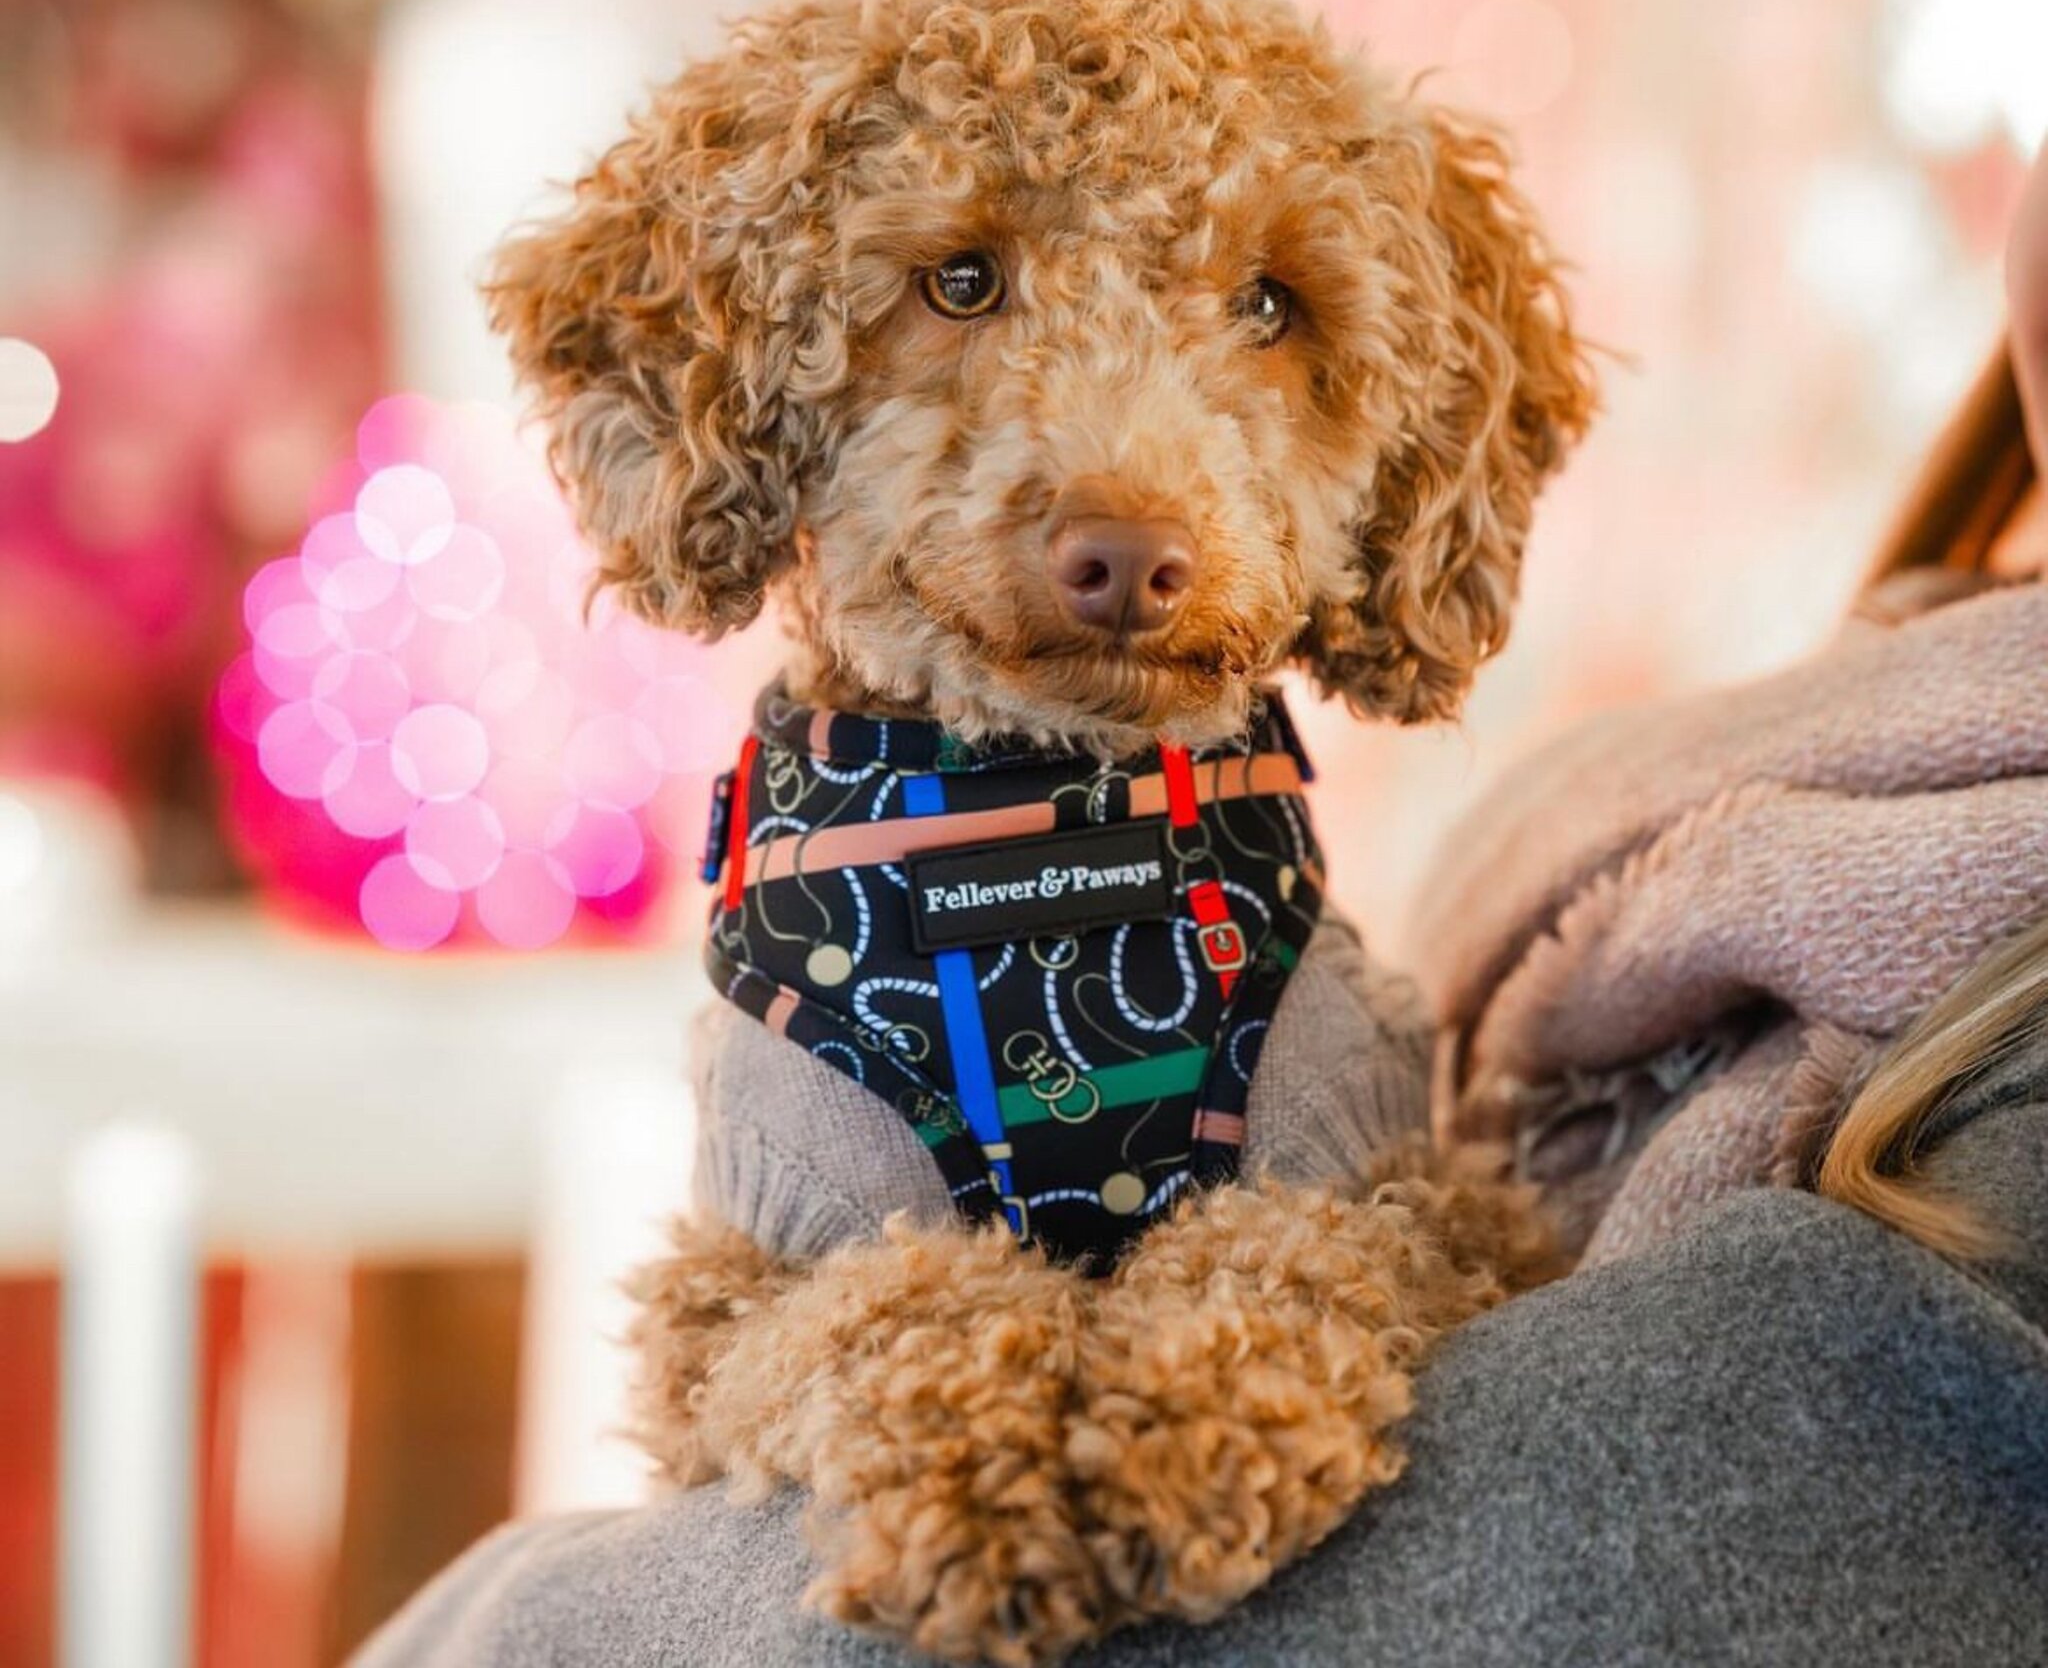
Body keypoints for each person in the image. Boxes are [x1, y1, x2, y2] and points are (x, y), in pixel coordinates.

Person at [352, 151, 2048, 1667]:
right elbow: (731, 1329)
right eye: (963, 285)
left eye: (1265, 307)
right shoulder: (802, 995)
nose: (1126, 497)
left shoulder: (1329, 1007)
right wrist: (896, 1388)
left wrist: (1261, 1354)